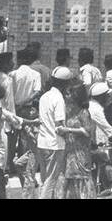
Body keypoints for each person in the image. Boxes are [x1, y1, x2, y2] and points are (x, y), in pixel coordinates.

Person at [37, 66, 74, 198]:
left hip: (42, 143)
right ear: (65, 84)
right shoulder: (58, 99)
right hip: (55, 144)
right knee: (51, 180)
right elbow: (59, 126)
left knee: (44, 178)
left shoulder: (45, 96)